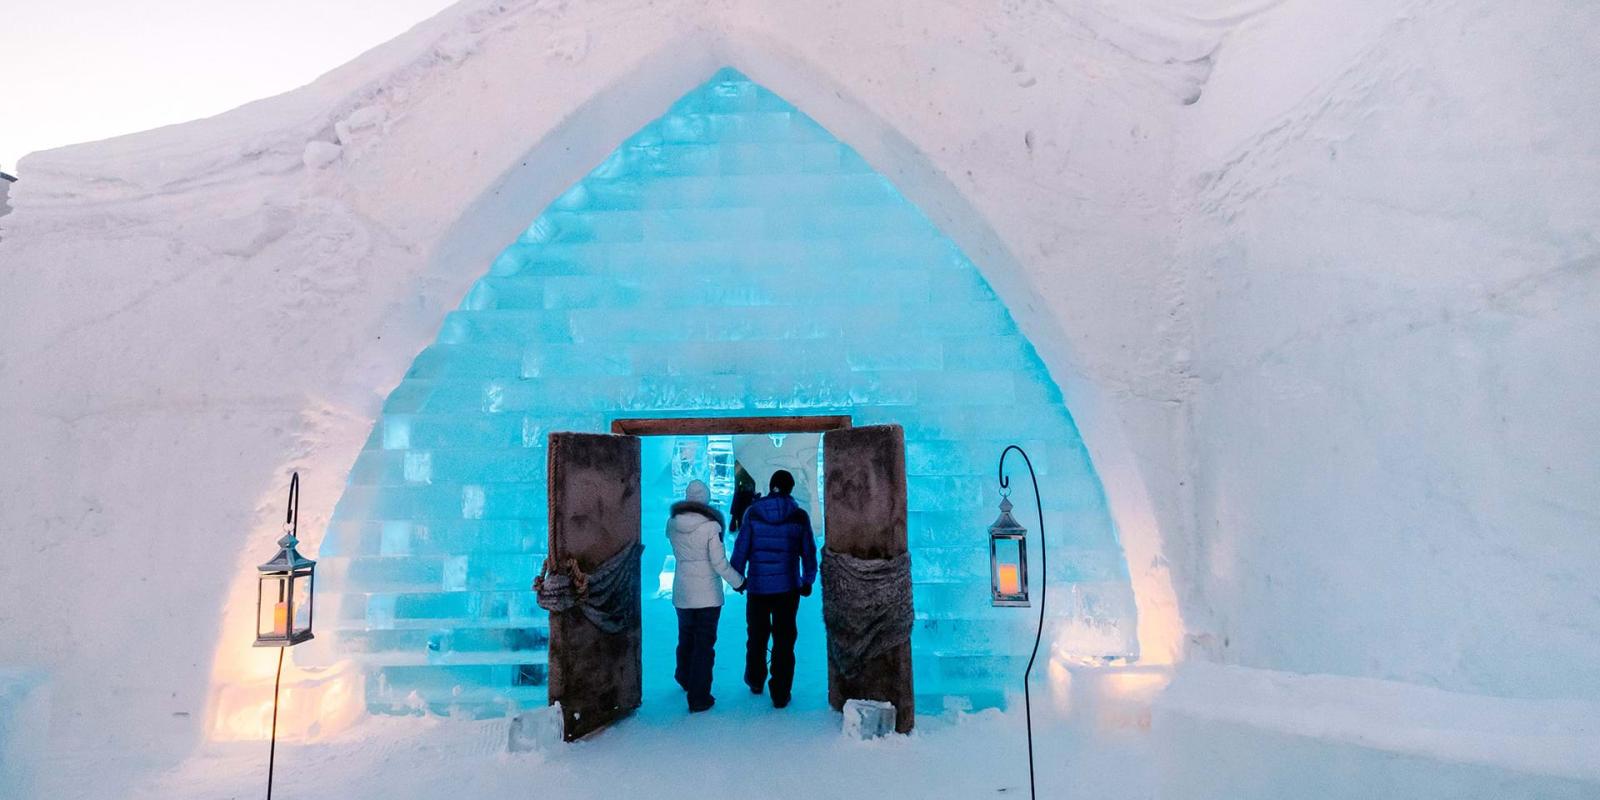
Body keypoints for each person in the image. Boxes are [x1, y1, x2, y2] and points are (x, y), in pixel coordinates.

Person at [730, 469, 817, 708]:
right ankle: (780, 692)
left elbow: (741, 550)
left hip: (758, 588)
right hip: (787, 589)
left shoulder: (753, 513)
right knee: (784, 639)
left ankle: (756, 679)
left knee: (757, 635)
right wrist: (807, 580)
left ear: (771, 486)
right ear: (790, 488)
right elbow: (808, 552)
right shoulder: (799, 516)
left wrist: (738, 578)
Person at [666, 480, 745, 713]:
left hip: (682, 590)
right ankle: (699, 696)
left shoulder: (672, 524)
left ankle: (684, 676)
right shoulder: (711, 527)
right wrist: (739, 582)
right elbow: (719, 563)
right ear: (706, 499)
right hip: (708, 595)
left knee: (686, 636)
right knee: (704, 644)